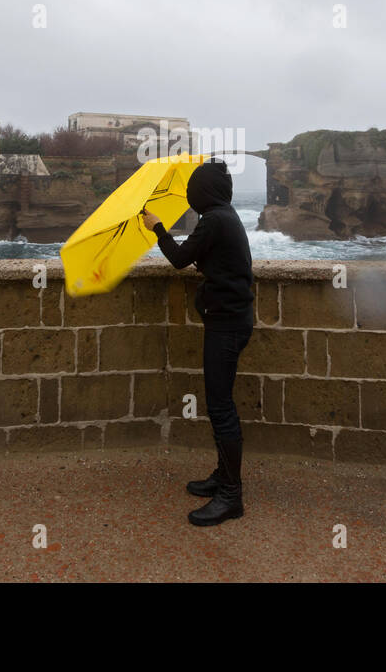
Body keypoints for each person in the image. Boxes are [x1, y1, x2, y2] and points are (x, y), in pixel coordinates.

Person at [141, 157, 255, 526]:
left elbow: (177, 259)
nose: (190, 195)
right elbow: (207, 260)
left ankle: (231, 495)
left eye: (194, 189)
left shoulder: (214, 220)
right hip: (231, 322)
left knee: (221, 408)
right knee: (220, 405)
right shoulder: (225, 217)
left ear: (202, 192)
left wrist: (158, 227)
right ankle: (223, 478)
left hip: (226, 326)